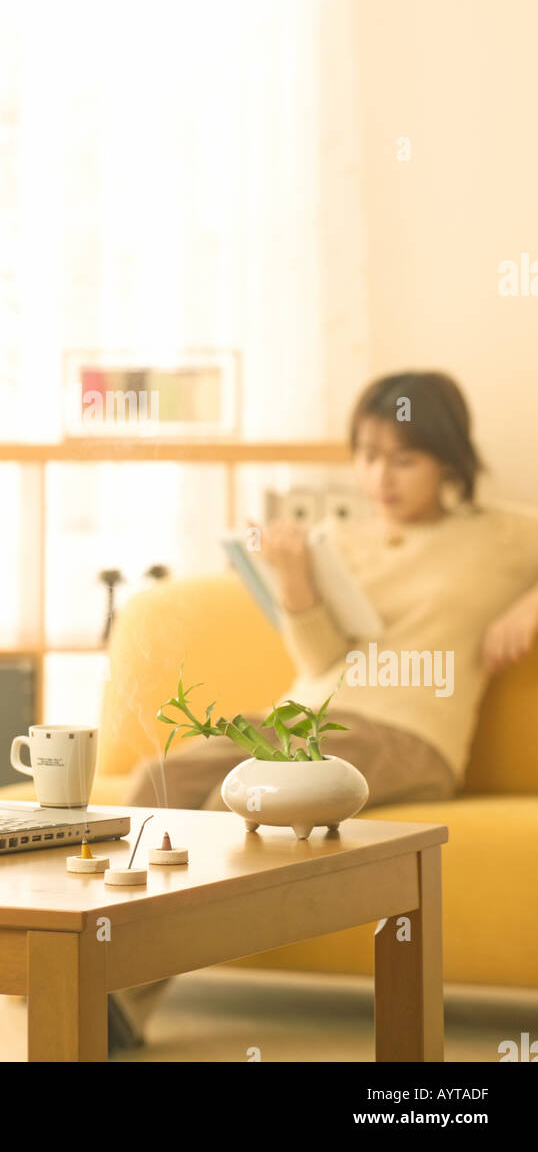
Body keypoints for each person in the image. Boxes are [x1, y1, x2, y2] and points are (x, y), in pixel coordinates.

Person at [109, 370, 538, 1050]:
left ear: (449, 459)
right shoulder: (339, 541)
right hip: (297, 721)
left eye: (404, 458)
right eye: (368, 456)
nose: (381, 477)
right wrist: (295, 584)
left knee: (239, 804)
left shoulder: (505, 536)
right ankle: (96, 969)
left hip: (403, 736)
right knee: (161, 784)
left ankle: (116, 1004)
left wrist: (530, 604)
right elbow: (317, 663)